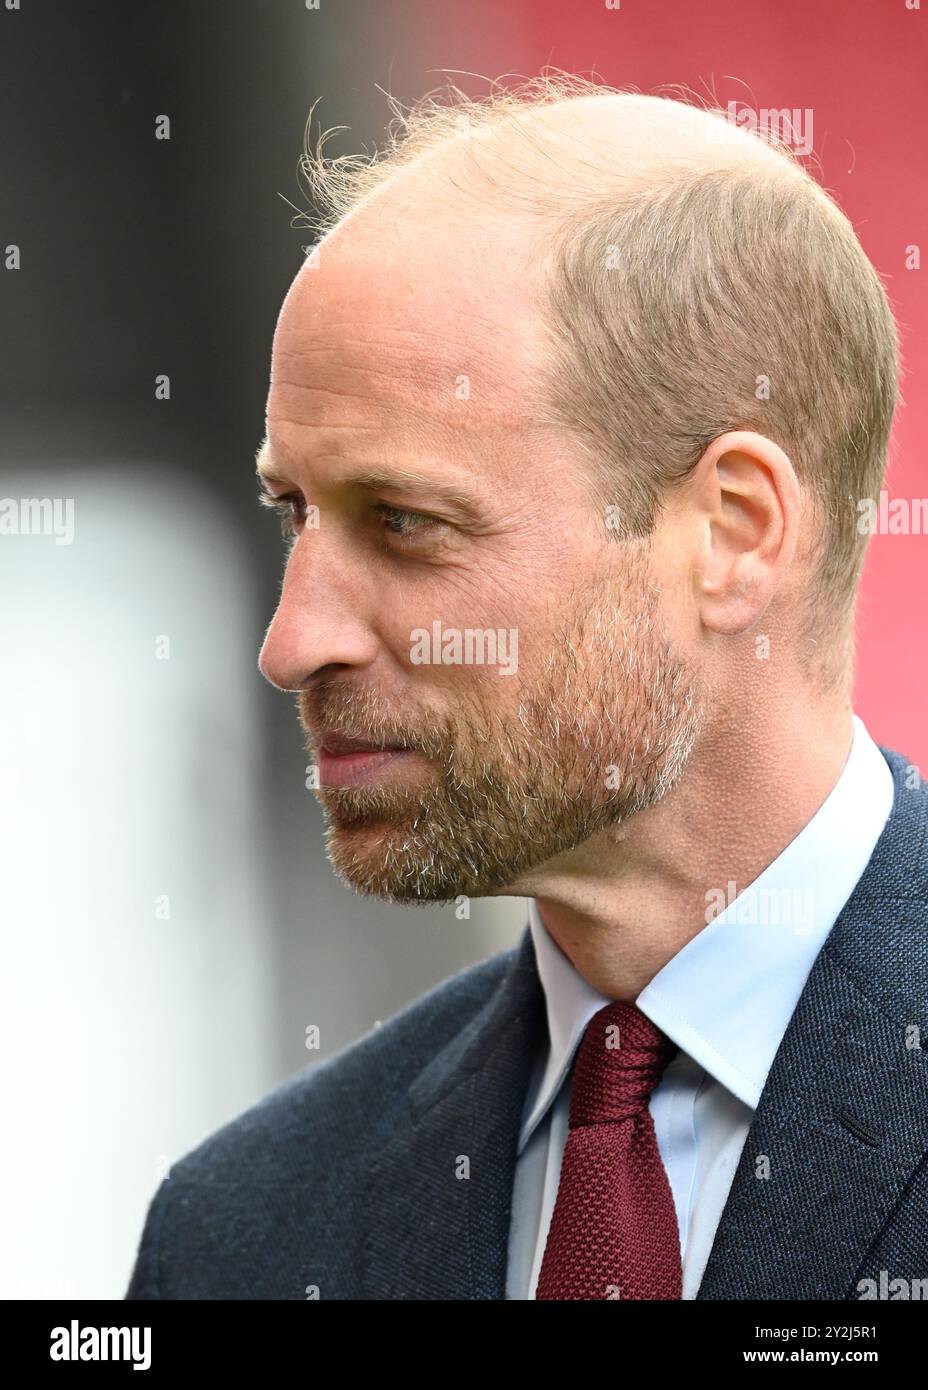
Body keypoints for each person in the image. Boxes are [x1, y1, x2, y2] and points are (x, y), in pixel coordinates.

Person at [125, 76, 927, 1301]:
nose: (292, 641)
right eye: (293, 511)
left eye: (404, 521)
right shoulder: (240, 1231)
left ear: (731, 533)